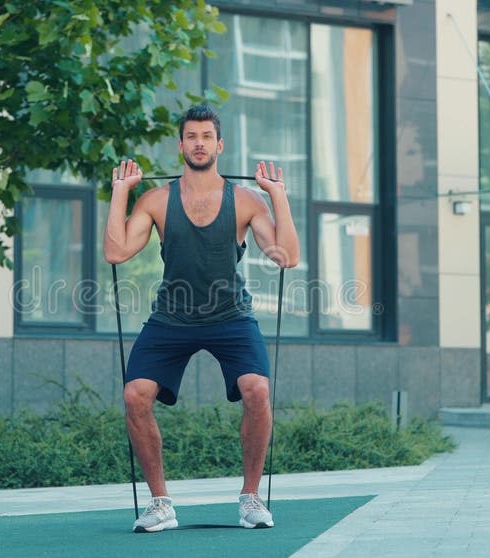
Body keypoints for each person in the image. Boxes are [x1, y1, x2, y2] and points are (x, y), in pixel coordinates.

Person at [104, 104, 300, 533]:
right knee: (135, 395)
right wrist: (121, 192)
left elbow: (287, 256)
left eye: (206, 136)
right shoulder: (156, 200)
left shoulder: (245, 201)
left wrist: (278, 196)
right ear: (180, 146)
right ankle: (160, 504)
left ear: (219, 145)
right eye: (191, 136)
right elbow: (116, 252)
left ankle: (251, 497)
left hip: (231, 315)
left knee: (257, 391)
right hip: (171, 317)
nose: (198, 143)